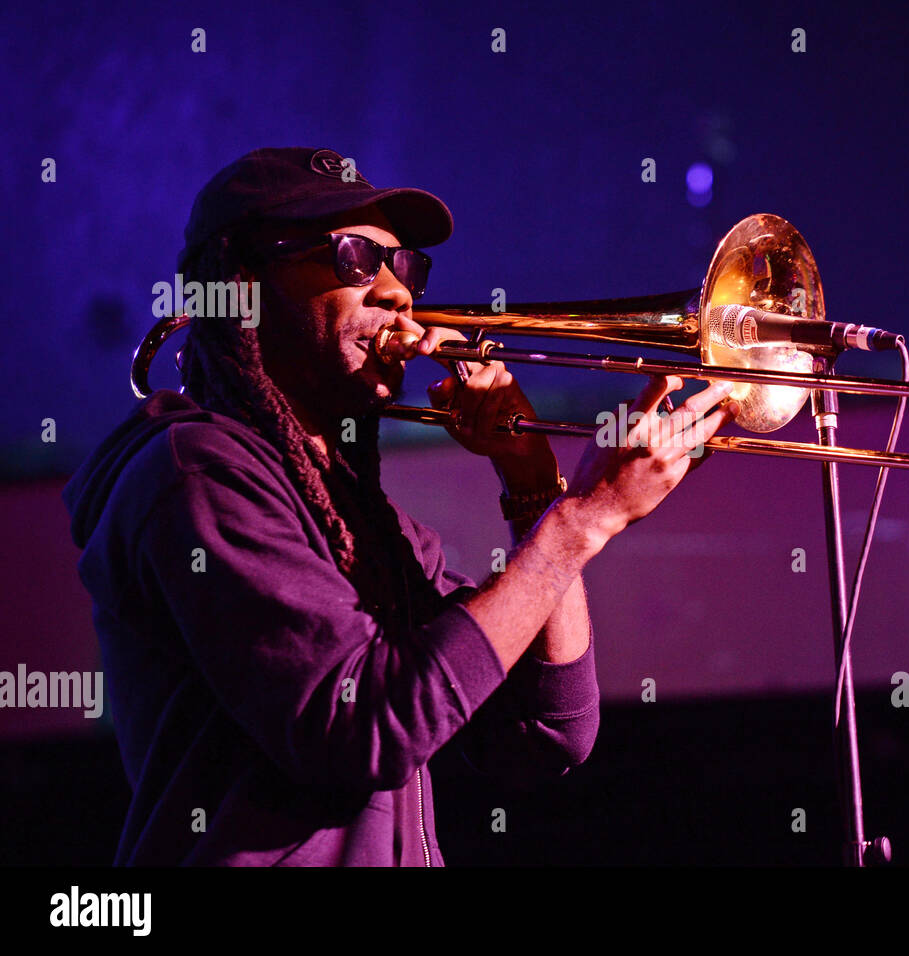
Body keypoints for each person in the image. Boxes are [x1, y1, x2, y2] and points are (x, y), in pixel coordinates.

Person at [62, 147, 736, 865]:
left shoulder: (372, 526)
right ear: (247, 285)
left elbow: (543, 735)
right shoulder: (195, 474)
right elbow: (363, 731)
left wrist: (533, 479)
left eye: (405, 265)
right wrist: (582, 524)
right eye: (355, 257)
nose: (397, 292)